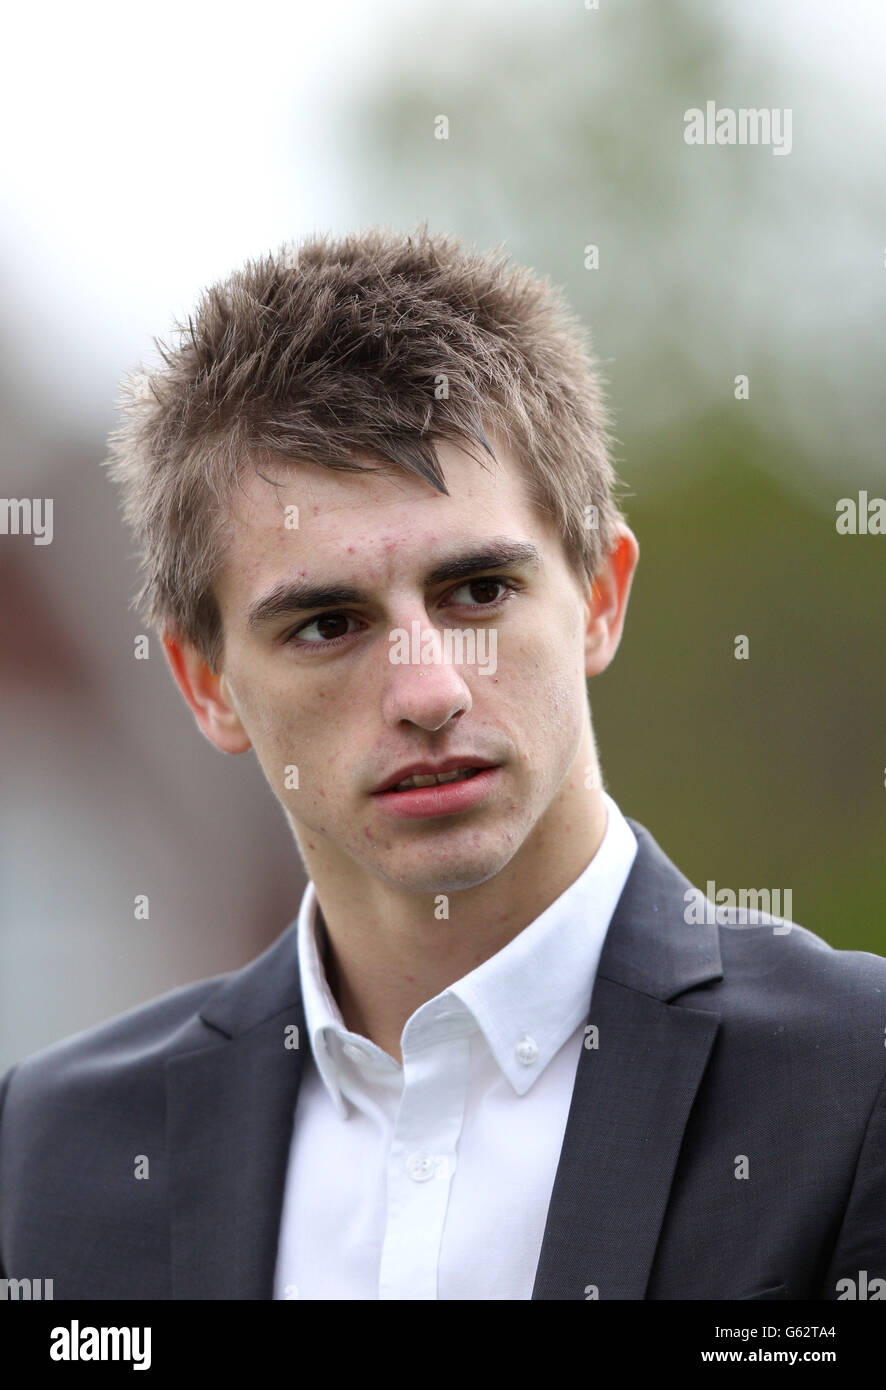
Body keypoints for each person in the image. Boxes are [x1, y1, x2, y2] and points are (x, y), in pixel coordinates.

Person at [1, 225, 884, 1301]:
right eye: (327, 623)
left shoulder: (856, 1084)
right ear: (205, 685)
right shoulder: (47, 1156)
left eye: (477, 592)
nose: (428, 692)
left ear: (600, 596)